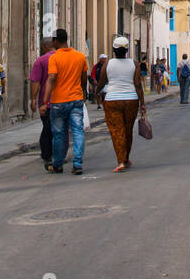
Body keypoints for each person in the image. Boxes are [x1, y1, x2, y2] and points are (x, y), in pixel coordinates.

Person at [41, 27, 89, 174]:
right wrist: (83, 92)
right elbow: (84, 77)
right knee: (77, 131)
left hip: (58, 102)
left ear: (55, 41)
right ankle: (77, 164)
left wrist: (44, 102)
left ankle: (58, 164)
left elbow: (51, 78)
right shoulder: (80, 57)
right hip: (76, 99)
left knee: (59, 134)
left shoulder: (54, 58)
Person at [98, 37, 146, 170]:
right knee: (128, 130)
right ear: (127, 50)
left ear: (114, 50)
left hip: (112, 100)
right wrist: (142, 103)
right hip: (131, 100)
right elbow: (137, 84)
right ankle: (126, 158)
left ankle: (121, 161)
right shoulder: (134, 63)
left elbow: (102, 81)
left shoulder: (107, 64)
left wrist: (97, 92)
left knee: (116, 130)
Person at [30, 37, 56, 170]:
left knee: (47, 128)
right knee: (60, 129)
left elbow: (35, 82)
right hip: (64, 100)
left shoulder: (41, 60)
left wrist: (33, 99)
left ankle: (47, 154)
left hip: (47, 103)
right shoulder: (64, 58)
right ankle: (58, 154)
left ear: (45, 47)